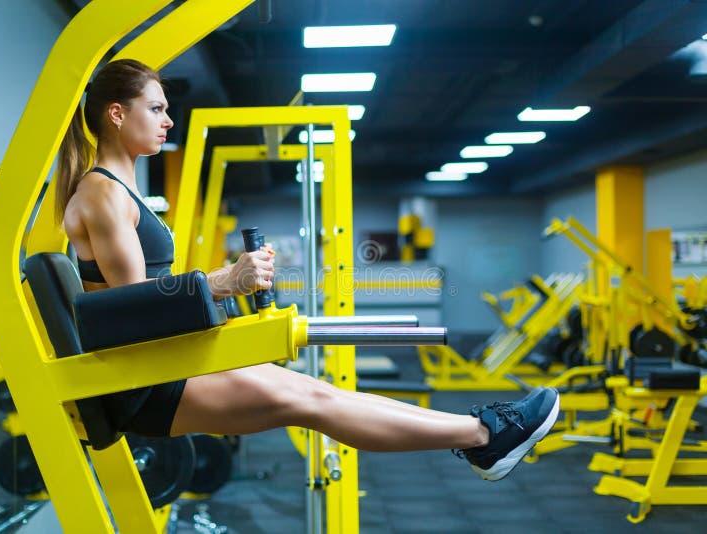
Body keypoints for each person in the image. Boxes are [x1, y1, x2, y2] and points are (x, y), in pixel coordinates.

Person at [56, 58, 559, 482]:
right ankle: (484, 436)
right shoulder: (101, 193)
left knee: (319, 394)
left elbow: (145, 303)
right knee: (312, 402)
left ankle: (482, 433)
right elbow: (136, 308)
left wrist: (226, 288)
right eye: (157, 108)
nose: (168, 120)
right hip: (144, 382)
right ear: (118, 114)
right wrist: (224, 281)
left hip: (157, 364)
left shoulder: (118, 191)